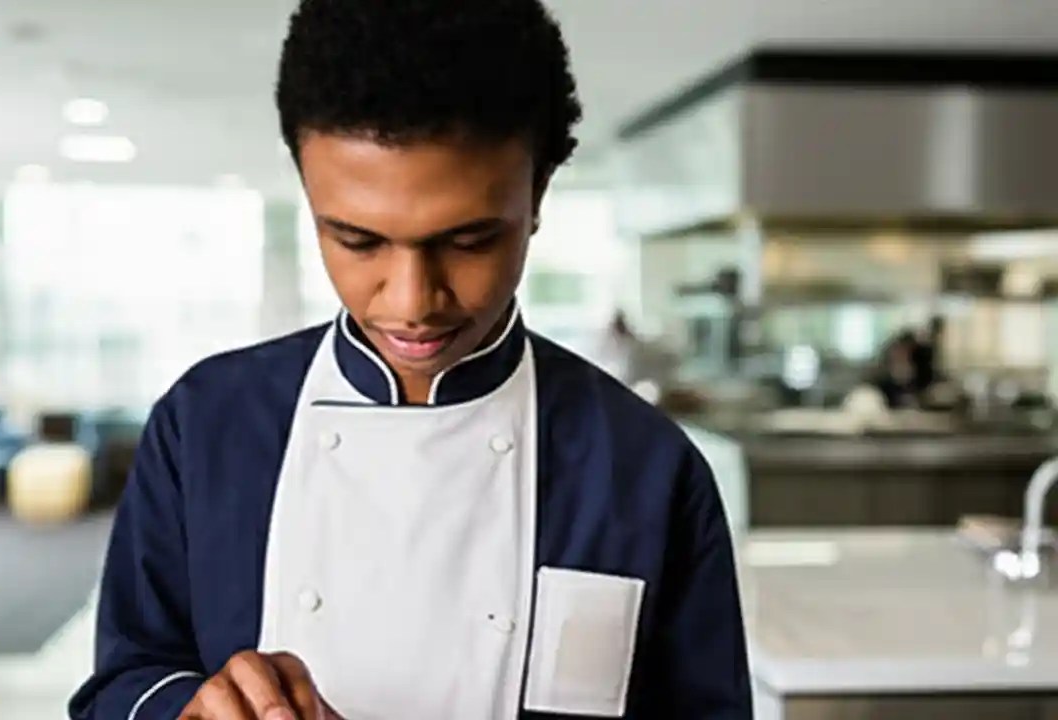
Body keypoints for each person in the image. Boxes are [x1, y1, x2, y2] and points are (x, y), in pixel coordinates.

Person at [69, 1, 751, 718]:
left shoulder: (647, 468)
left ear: (537, 196)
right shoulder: (208, 422)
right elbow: (123, 681)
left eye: (468, 241)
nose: (413, 301)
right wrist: (191, 709)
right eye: (358, 241)